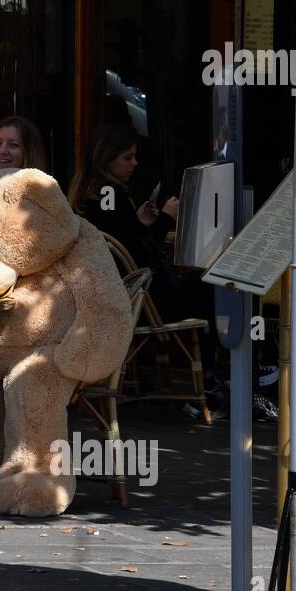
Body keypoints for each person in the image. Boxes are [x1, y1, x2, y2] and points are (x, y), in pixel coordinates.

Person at [69, 122, 222, 405]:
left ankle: (214, 377)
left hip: (113, 296)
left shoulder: (93, 193)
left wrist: (140, 224)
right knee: (212, 288)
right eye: (127, 157)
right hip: (136, 301)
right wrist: (166, 218)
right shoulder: (110, 194)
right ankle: (214, 379)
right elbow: (138, 258)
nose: (134, 164)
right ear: (107, 158)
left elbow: (123, 240)